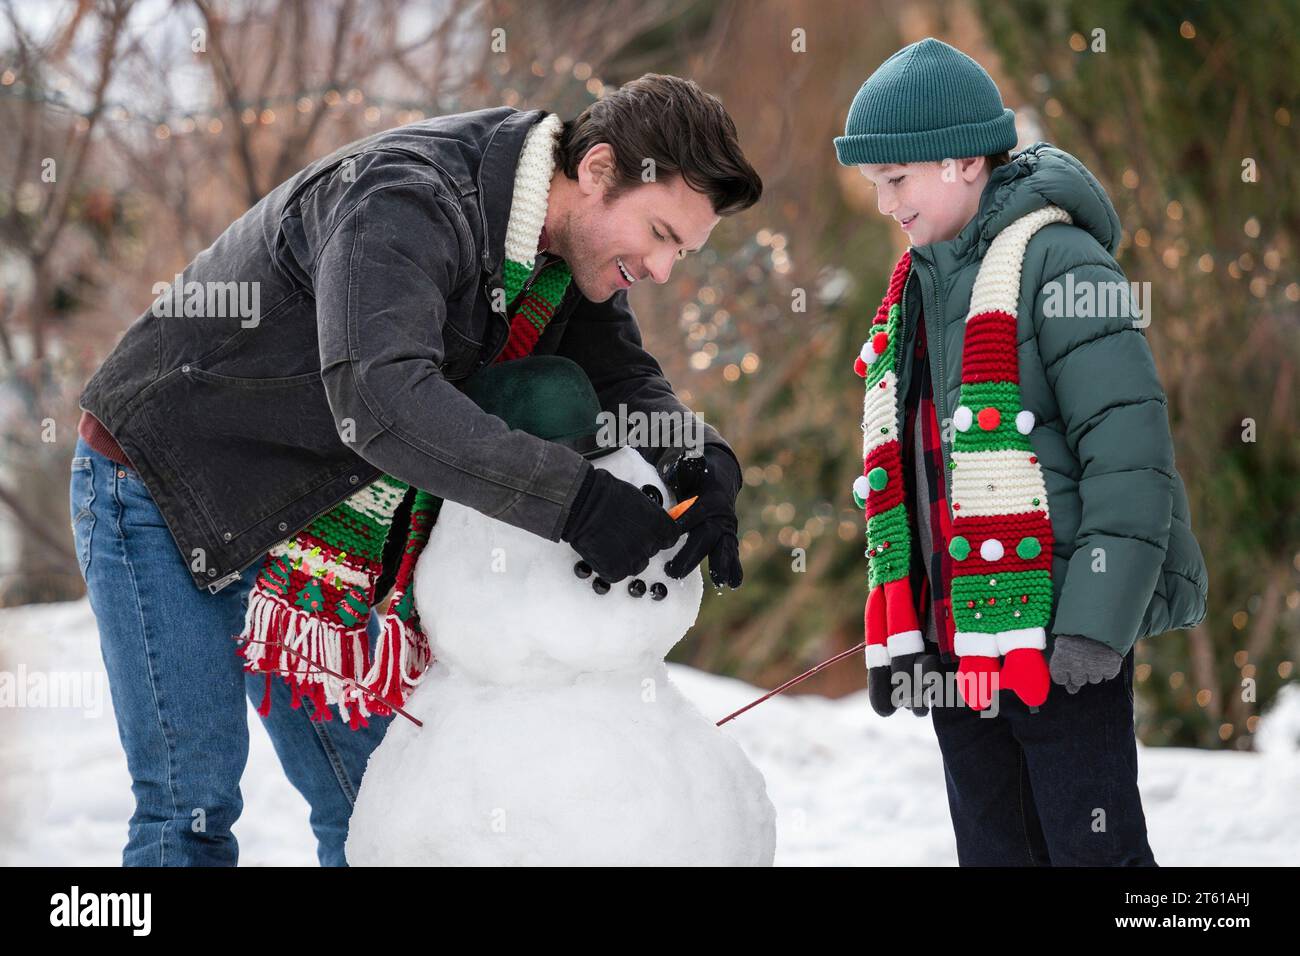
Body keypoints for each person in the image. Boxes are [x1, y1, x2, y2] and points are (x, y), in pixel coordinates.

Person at [70, 73, 762, 866]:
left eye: (684, 251)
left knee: (373, 803)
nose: (666, 267)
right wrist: (575, 504)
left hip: (304, 518)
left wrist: (702, 465)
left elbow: (623, 380)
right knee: (190, 803)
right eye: (662, 234)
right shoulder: (409, 198)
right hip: (164, 484)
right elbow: (382, 399)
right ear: (600, 170)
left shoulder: (561, 246)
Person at [834, 38, 1207, 865]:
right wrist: (904, 632)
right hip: (955, 641)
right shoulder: (914, 288)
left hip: (1060, 638)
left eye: (897, 180)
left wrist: (1096, 628)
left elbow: (1130, 458)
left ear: (965, 159)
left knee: (1090, 851)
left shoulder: (1062, 263)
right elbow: (914, 471)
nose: (887, 205)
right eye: (877, 187)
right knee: (995, 850)